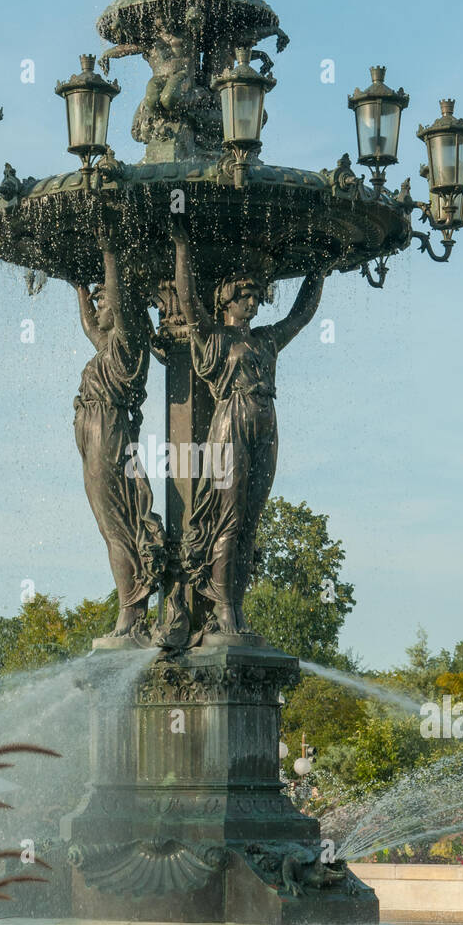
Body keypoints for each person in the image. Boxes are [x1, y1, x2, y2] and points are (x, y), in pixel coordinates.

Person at [171, 218, 325, 636]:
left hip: (265, 422)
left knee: (251, 521)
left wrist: (320, 269)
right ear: (227, 299)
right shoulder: (216, 337)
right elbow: (187, 304)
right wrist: (182, 245)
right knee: (230, 519)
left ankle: (237, 609)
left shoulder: (267, 340)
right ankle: (222, 612)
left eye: (257, 297)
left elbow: (302, 315)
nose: (253, 304)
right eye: (245, 296)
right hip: (231, 422)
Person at [71, 220, 164, 640]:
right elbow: (91, 326)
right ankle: (132, 608)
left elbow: (117, 310)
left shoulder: (128, 345)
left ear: (122, 307)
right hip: (94, 434)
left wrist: (110, 249)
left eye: (103, 300)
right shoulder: (109, 346)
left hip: (108, 433)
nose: (99, 306)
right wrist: (79, 290)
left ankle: (132, 613)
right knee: (110, 527)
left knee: (117, 528)